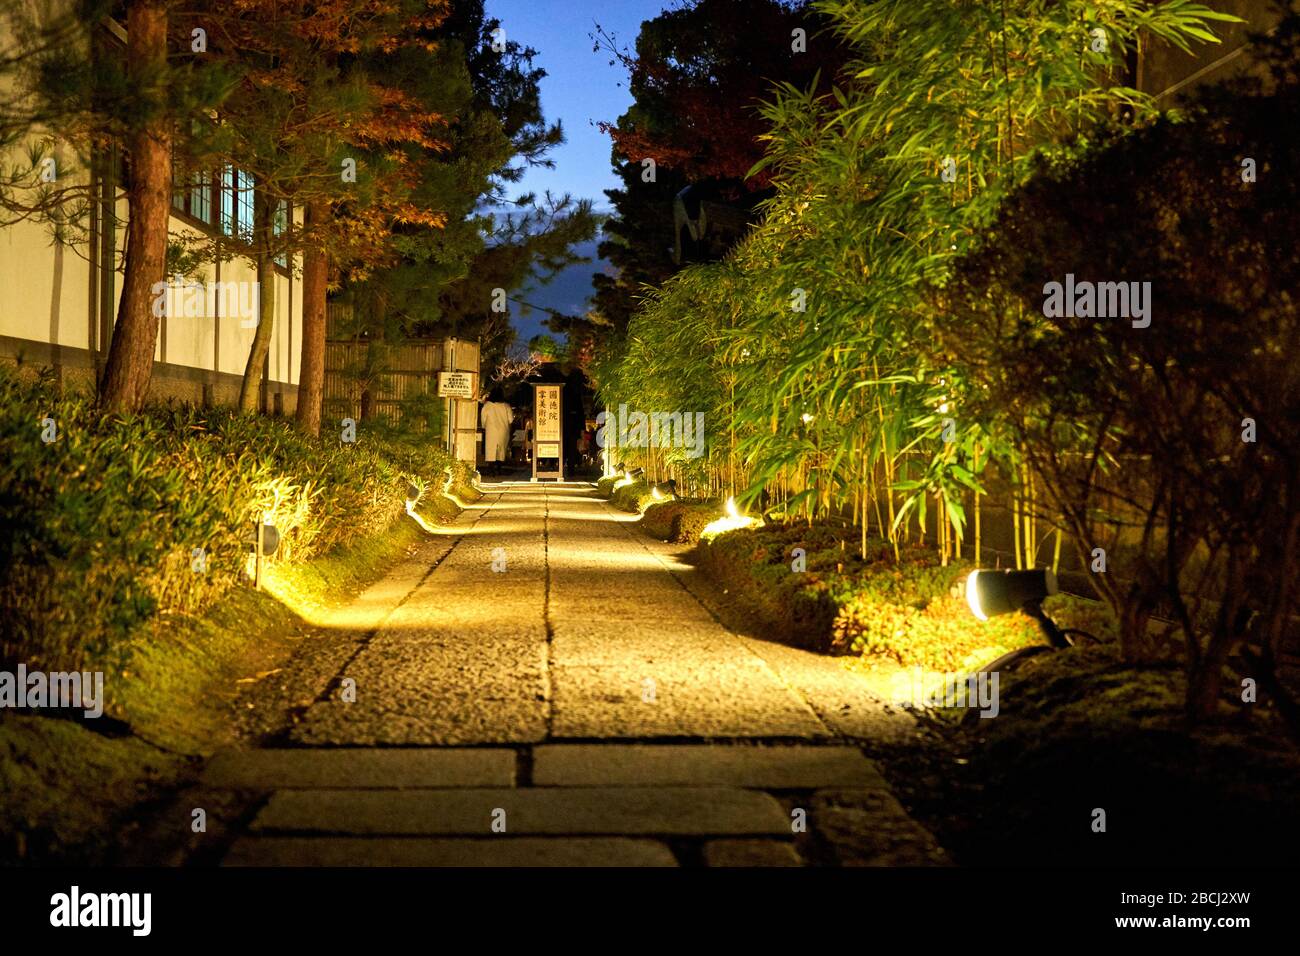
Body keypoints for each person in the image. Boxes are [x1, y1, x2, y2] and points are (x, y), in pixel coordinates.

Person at [480, 388, 513, 476]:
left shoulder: (487, 406)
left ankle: (491, 469)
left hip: (491, 431)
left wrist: (484, 427)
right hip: (503, 431)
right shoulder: (506, 406)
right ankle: (498, 468)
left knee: (490, 449)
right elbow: (510, 420)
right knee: (501, 450)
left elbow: (483, 419)